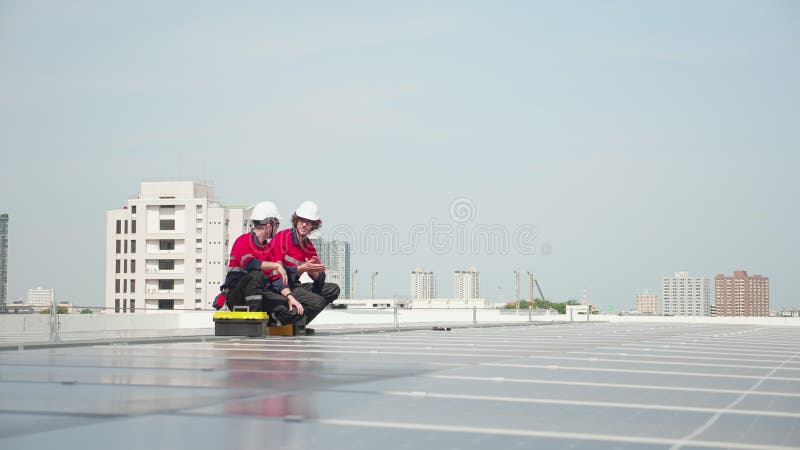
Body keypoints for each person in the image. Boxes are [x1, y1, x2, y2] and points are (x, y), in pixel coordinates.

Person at [268, 201, 340, 333]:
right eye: (301, 220)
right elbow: (274, 271)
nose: (304, 224)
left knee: (333, 289)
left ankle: (298, 324)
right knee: (317, 302)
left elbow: (319, 278)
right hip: (280, 287)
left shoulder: (309, 246)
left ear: (314, 225)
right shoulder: (282, 238)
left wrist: (316, 273)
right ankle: (291, 324)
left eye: (309, 222)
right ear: (296, 220)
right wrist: (301, 269)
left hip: (296, 286)